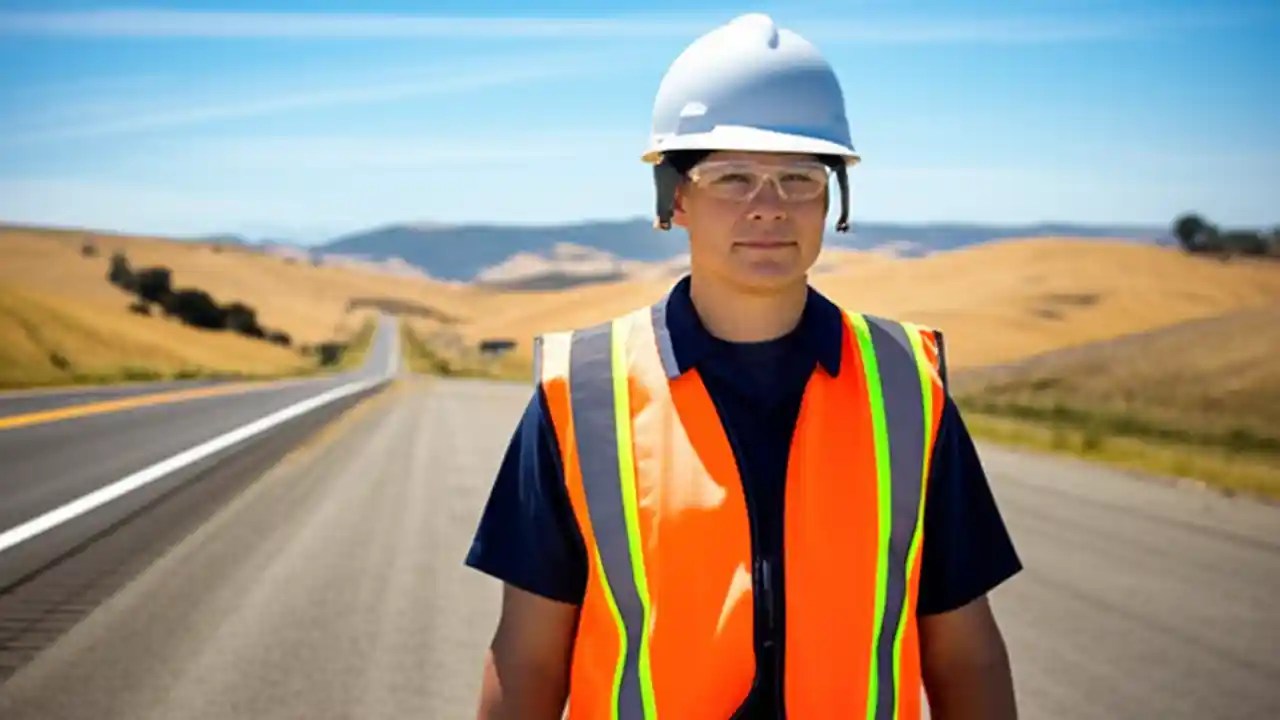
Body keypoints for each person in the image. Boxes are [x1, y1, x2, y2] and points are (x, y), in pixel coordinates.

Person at [465, 13, 1021, 719]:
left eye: (799, 177)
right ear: (677, 199)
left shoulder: (909, 388)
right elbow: (529, 657)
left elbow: (964, 652)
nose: (769, 208)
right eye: (732, 178)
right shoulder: (582, 393)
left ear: (833, 202)